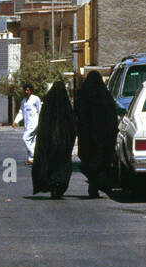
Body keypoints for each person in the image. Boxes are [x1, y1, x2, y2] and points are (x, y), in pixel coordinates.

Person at [75, 70, 120, 198]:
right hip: (103, 137)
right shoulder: (105, 96)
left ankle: (94, 185)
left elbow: (79, 114)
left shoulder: (83, 97)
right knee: (102, 162)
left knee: (90, 162)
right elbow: (111, 117)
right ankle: (98, 185)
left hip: (87, 138)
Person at [31, 81, 76, 199]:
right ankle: (58, 186)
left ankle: (52, 186)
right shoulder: (66, 107)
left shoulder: (47, 107)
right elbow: (72, 126)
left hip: (49, 143)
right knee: (62, 165)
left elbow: (43, 126)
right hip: (64, 144)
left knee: (51, 164)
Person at [14, 84, 41, 164]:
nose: (26, 92)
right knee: (32, 141)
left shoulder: (35, 99)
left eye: (28, 90)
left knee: (25, 138)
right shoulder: (24, 101)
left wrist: (41, 122)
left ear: (31, 91)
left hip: (35, 123)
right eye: (25, 90)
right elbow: (21, 112)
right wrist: (16, 121)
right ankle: (31, 159)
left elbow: (40, 110)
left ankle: (36, 156)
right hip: (27, 124)